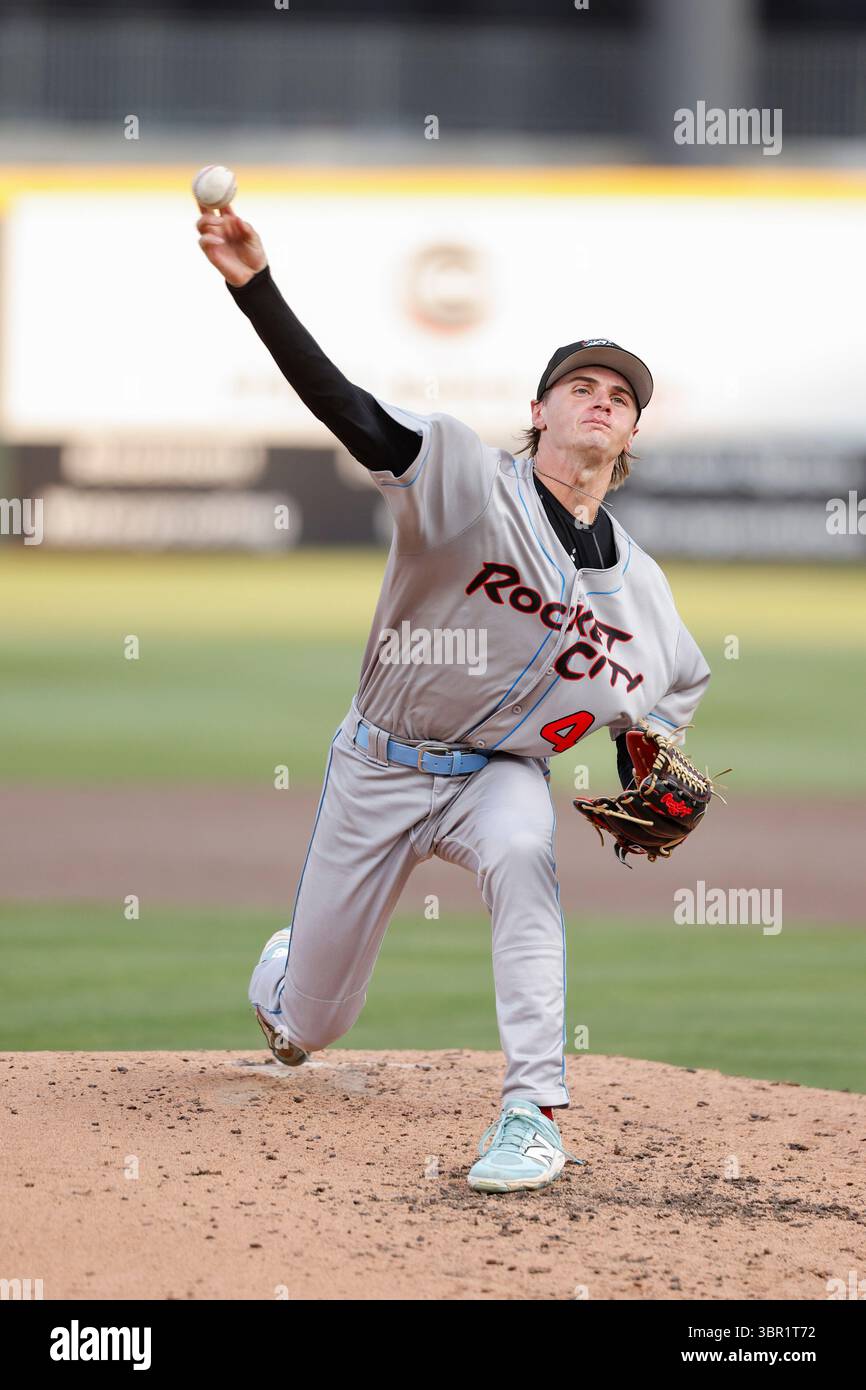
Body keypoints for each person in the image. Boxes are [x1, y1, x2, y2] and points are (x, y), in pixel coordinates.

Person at [196, 203, 711, 1193]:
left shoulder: (644, 596)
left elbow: (661, 704)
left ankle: (532, 1113)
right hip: (378, 765)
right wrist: (254, 286)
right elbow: (344, 407)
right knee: (310, 1024)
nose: (597, 400)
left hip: (500, 777)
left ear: (633, 429)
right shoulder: (465, 482)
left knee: (524, 850)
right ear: (539, 412)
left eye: (616, 394)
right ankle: (287, 974)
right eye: (577, 386)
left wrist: (641, 769)